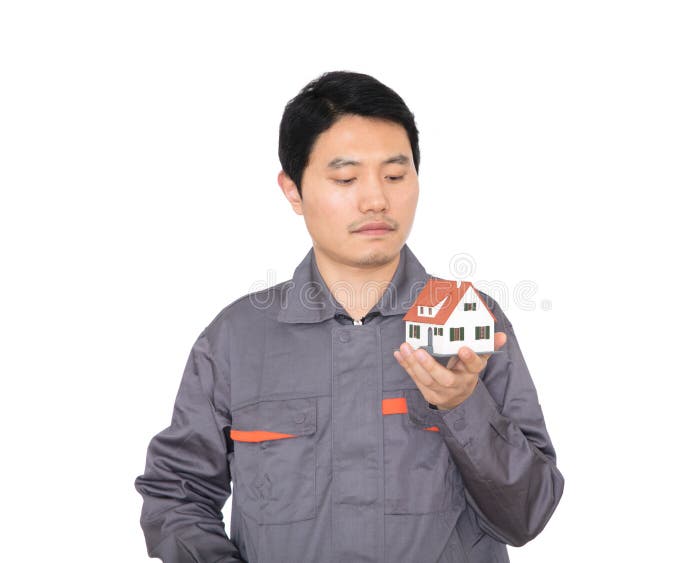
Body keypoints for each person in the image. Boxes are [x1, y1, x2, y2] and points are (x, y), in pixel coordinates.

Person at [134, 70, 564, 562]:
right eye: (345, 178)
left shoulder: (471, 323)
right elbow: (177, 496)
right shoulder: (237, 339)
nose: (376, 199)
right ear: (293, 191)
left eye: (395, 176)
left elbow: (527, 516)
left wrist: (462, 404)